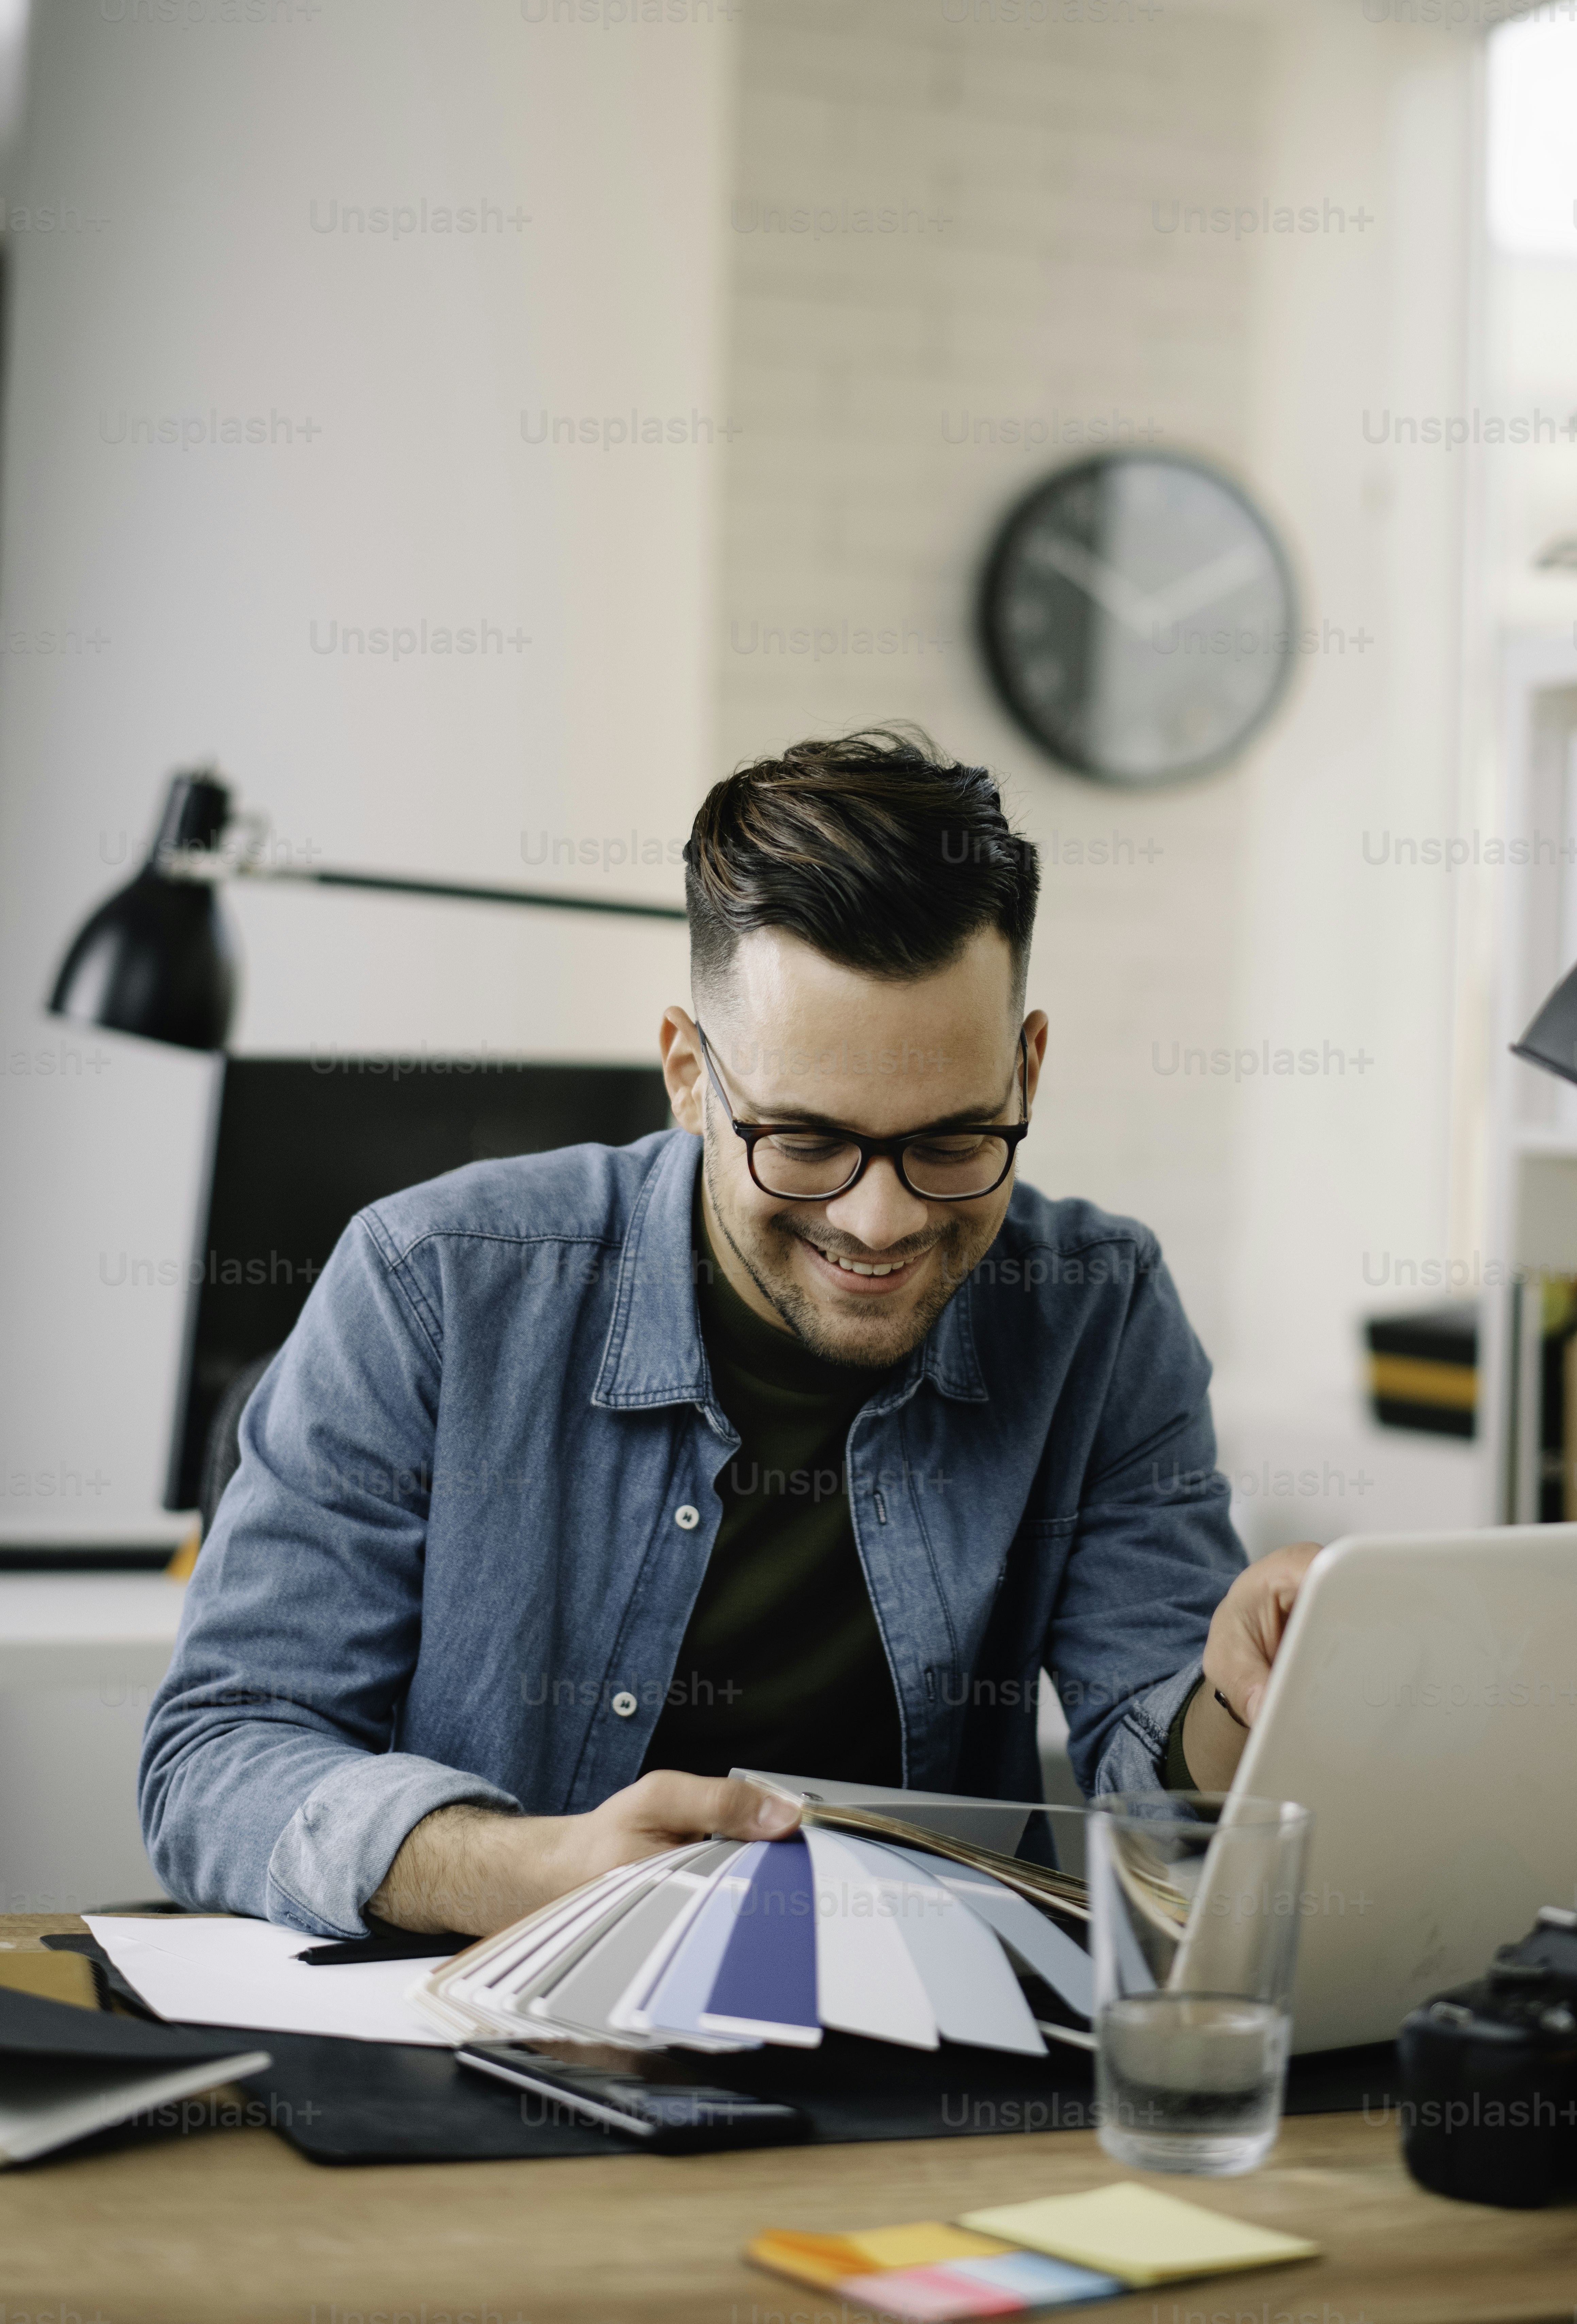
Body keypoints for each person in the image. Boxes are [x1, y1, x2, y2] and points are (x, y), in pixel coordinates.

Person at [140, 729, 1318, 1937]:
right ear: (689, 1074)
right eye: (804, 1142)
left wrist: (1235, 1691)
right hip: (495, 2045)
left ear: (1027, 1071)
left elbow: (1160, 1803)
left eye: (953, 1142)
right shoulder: (430, 1283)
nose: (881, 1221)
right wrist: (532, 1873)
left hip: (925, 2063)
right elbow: (217, 1763)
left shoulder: (1097, 1310)